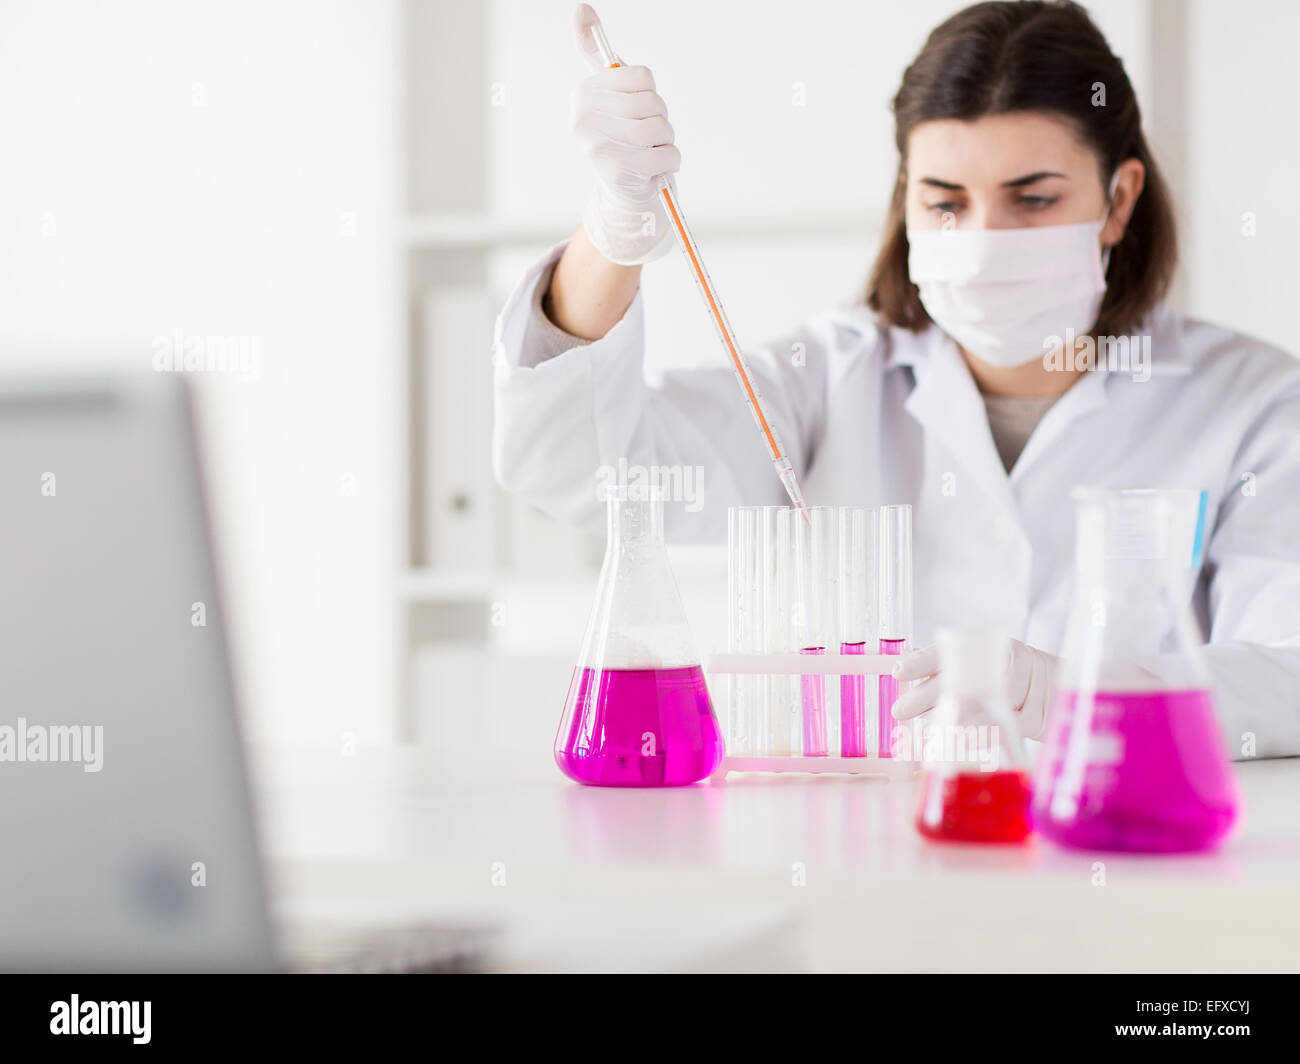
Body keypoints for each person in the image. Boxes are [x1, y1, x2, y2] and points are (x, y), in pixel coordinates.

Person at [490, 1, 1300, 756]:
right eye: (945, 202)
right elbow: (588, 473)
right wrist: (614, 230)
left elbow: (1289, 675)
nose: (983, 240)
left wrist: (1077, 695)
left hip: (1131, 866)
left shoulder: (1254, 406)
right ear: (905, 199)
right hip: (876, 862)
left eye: (1033, 199)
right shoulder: (828, 378)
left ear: (1118, 200)